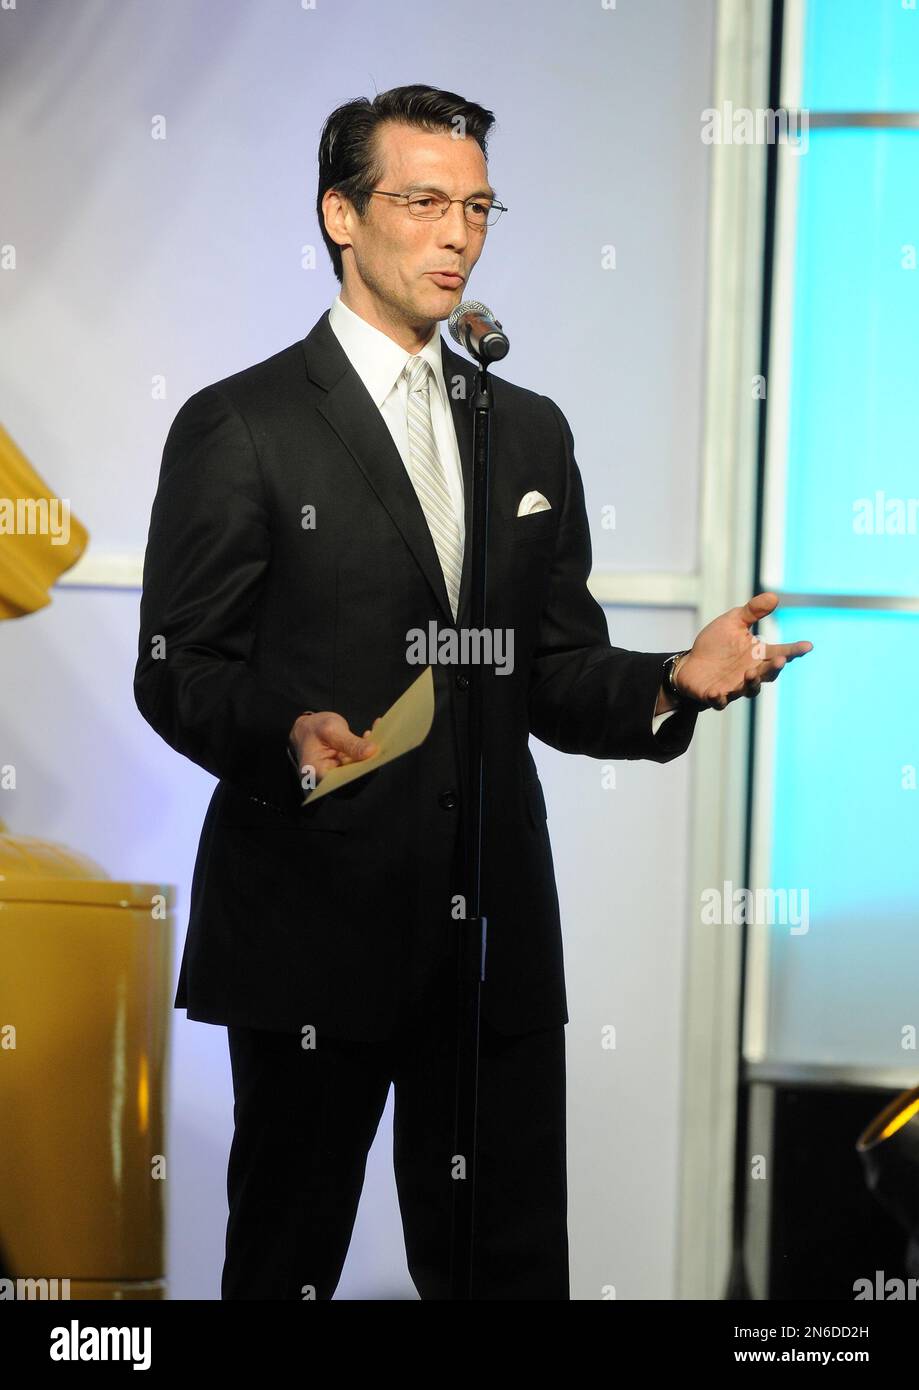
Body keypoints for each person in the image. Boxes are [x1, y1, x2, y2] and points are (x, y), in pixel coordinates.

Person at [133, 84, 812, 1301]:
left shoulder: (527, 432)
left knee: (507, 1277)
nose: (458, 235)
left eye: (479, 207)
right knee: (284, 1263)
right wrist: (283, 733)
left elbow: (551, 670)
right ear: (341, 215)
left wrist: (674, 680)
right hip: (309, 933)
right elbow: (176, 665)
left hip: (492, 939)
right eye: (425, 202)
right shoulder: (242, 425)